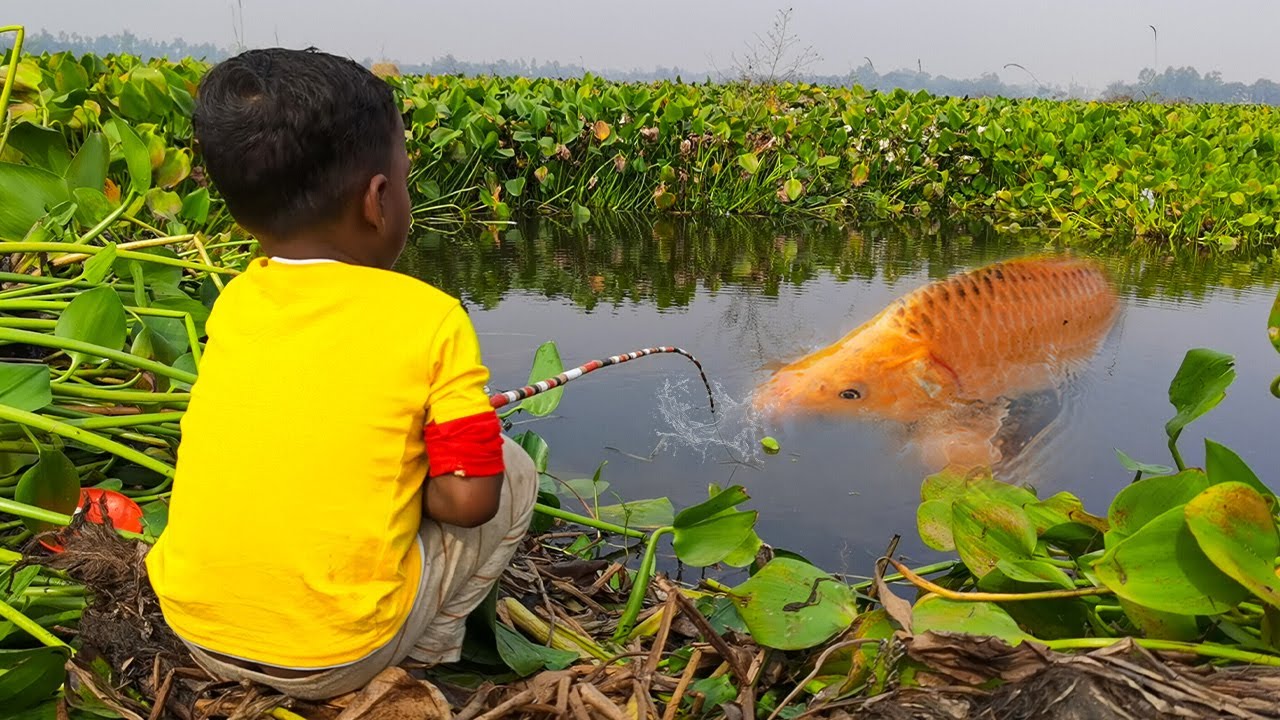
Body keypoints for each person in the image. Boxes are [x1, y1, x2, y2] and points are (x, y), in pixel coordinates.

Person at [144, 47, 537, 701]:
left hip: (194, 630)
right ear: (378, 201)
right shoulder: (431, 318)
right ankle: (427, 656)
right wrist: (414, 474)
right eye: (405, 178)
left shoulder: (237, 299)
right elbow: (471, 503)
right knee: (515, 469)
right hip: (334, 658)